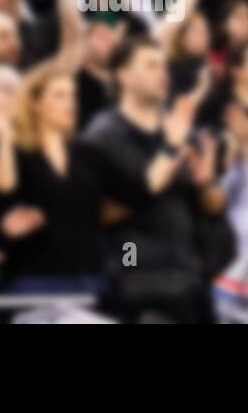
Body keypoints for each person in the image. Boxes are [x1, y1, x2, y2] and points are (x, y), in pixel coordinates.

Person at [81, 37, 232, 322]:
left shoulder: (184, 132)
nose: (163, 73)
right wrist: (170, 149)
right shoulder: (102, 134)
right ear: (123, 75)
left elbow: (212, 210)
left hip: (191, 281)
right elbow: (105, 209)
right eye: (151, 66)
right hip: (133, 279)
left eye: (164, 66)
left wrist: (207, 186)